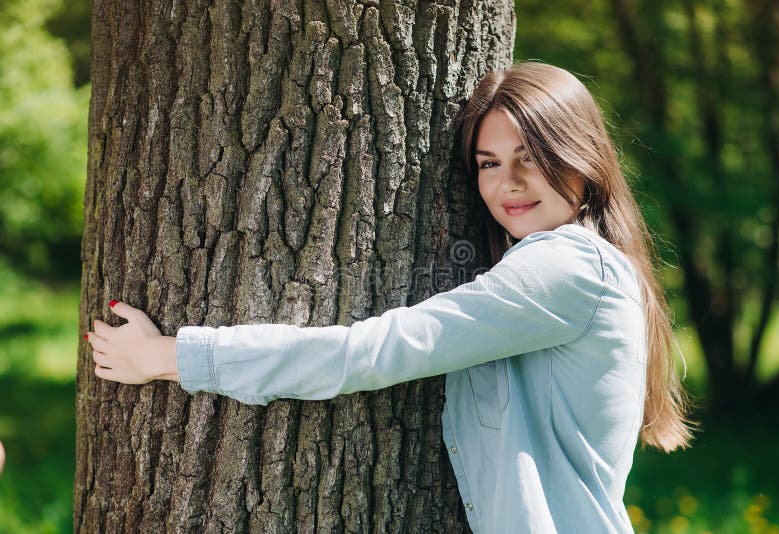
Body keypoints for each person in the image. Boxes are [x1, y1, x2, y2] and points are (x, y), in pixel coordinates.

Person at [85, 60, 693, 533]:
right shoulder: (581, 266)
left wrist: (172, 356)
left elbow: (378, 350)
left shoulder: (569, 267)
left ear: (580, 157)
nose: (508, 184)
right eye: (488, 163)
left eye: (529, 158)